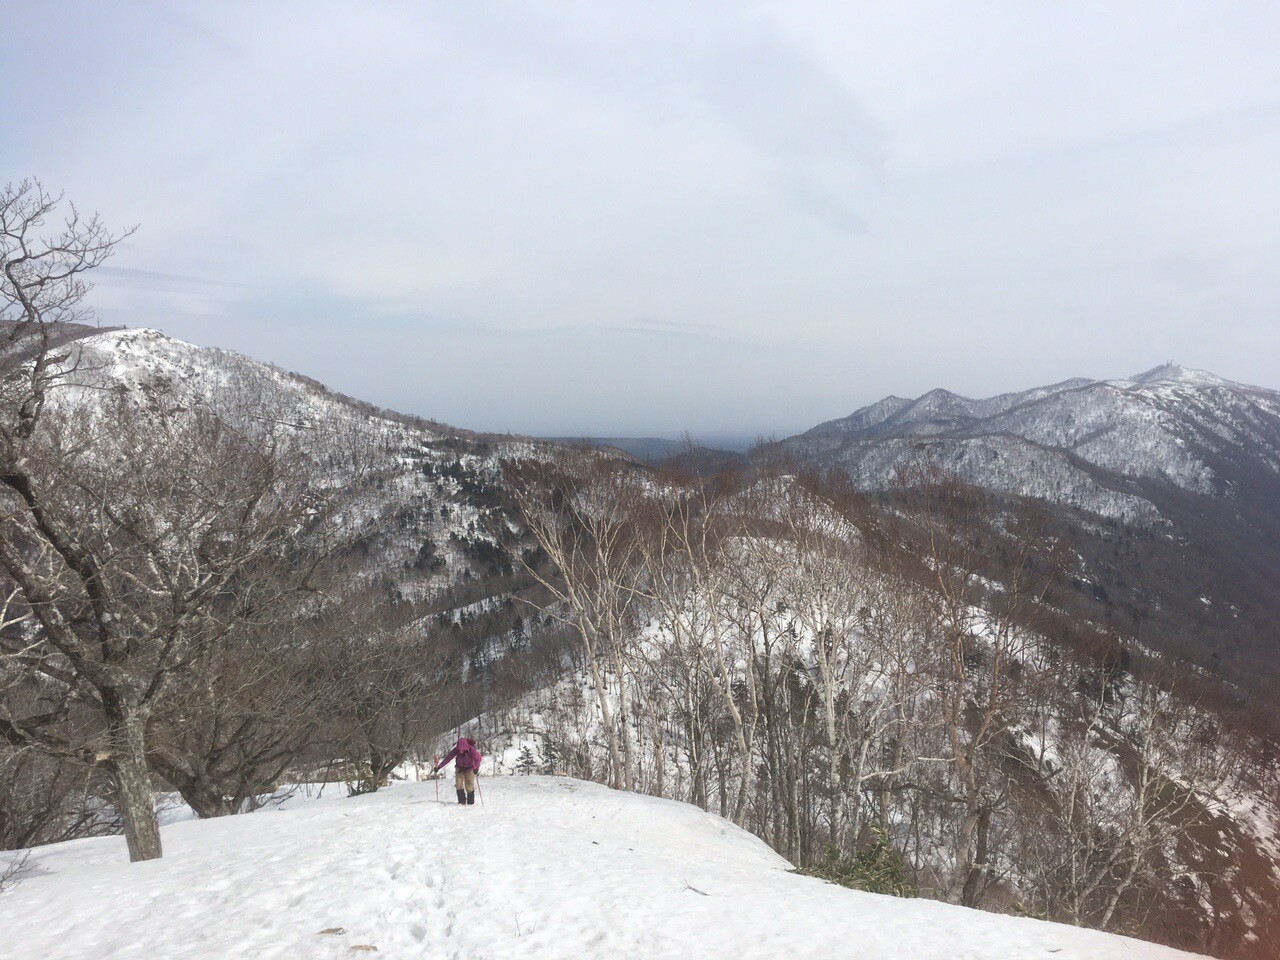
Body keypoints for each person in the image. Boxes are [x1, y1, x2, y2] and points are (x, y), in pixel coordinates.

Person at [434, 736, 482, 805]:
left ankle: (470, 803)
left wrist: (476, 768)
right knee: (458, 785)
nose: (460, 751)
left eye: (462, 750)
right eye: (459, 749)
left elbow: (477, 760)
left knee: (469, 787)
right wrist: (439, 767)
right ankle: (461, 802)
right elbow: (448, 758)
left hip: (470, 769)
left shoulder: (472, 750)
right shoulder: (456, 750)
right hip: (459, 768)